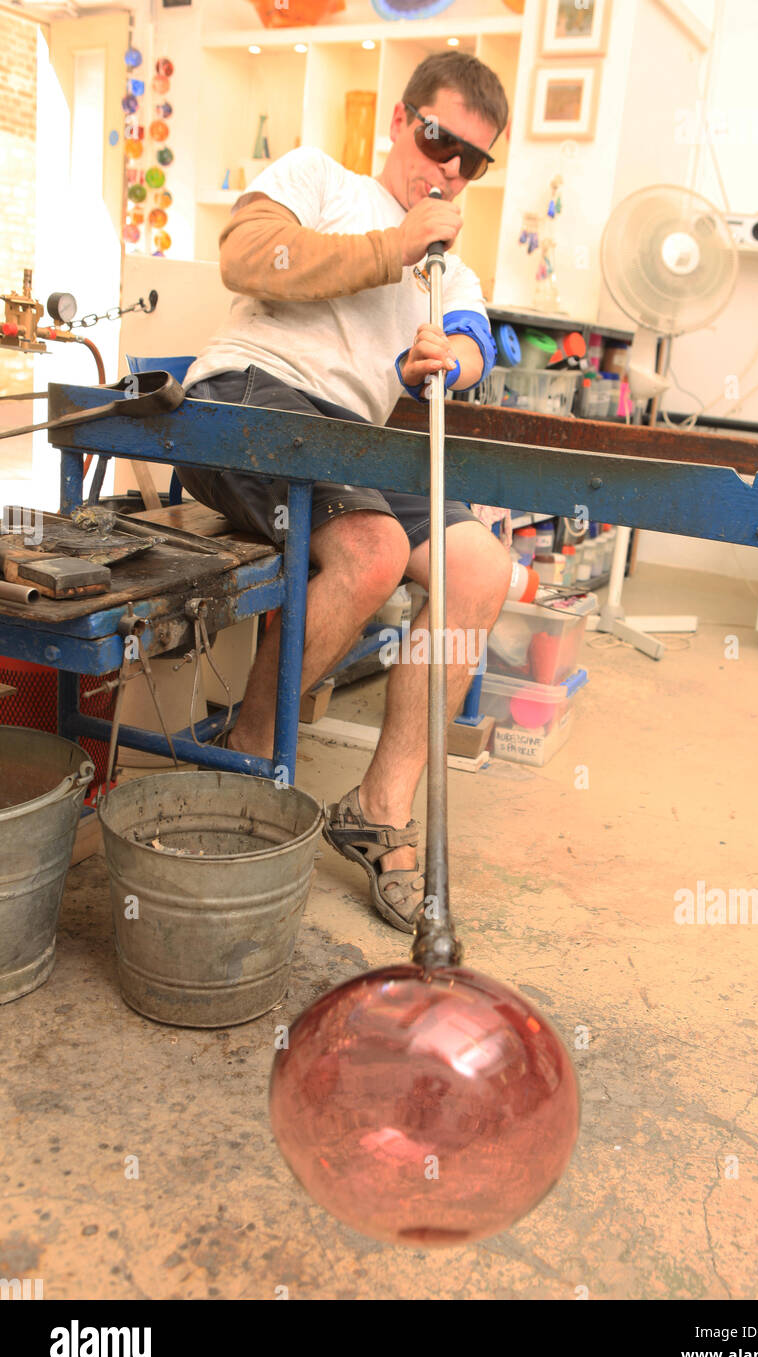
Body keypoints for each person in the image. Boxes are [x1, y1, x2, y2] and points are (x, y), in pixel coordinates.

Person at [174, 51, 512, 934]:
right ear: (399, 122)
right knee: (373, 550)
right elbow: (245, 256)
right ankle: (247, 750)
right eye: (438, 139)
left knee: (484, 569)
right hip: (248, 397)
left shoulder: (448, 271)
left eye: (471, 160)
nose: (447, 167)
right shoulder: (319, 179)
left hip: (352, 437)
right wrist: (389, 248)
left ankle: (380, 806)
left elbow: (477, 339)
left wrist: (455, 360)